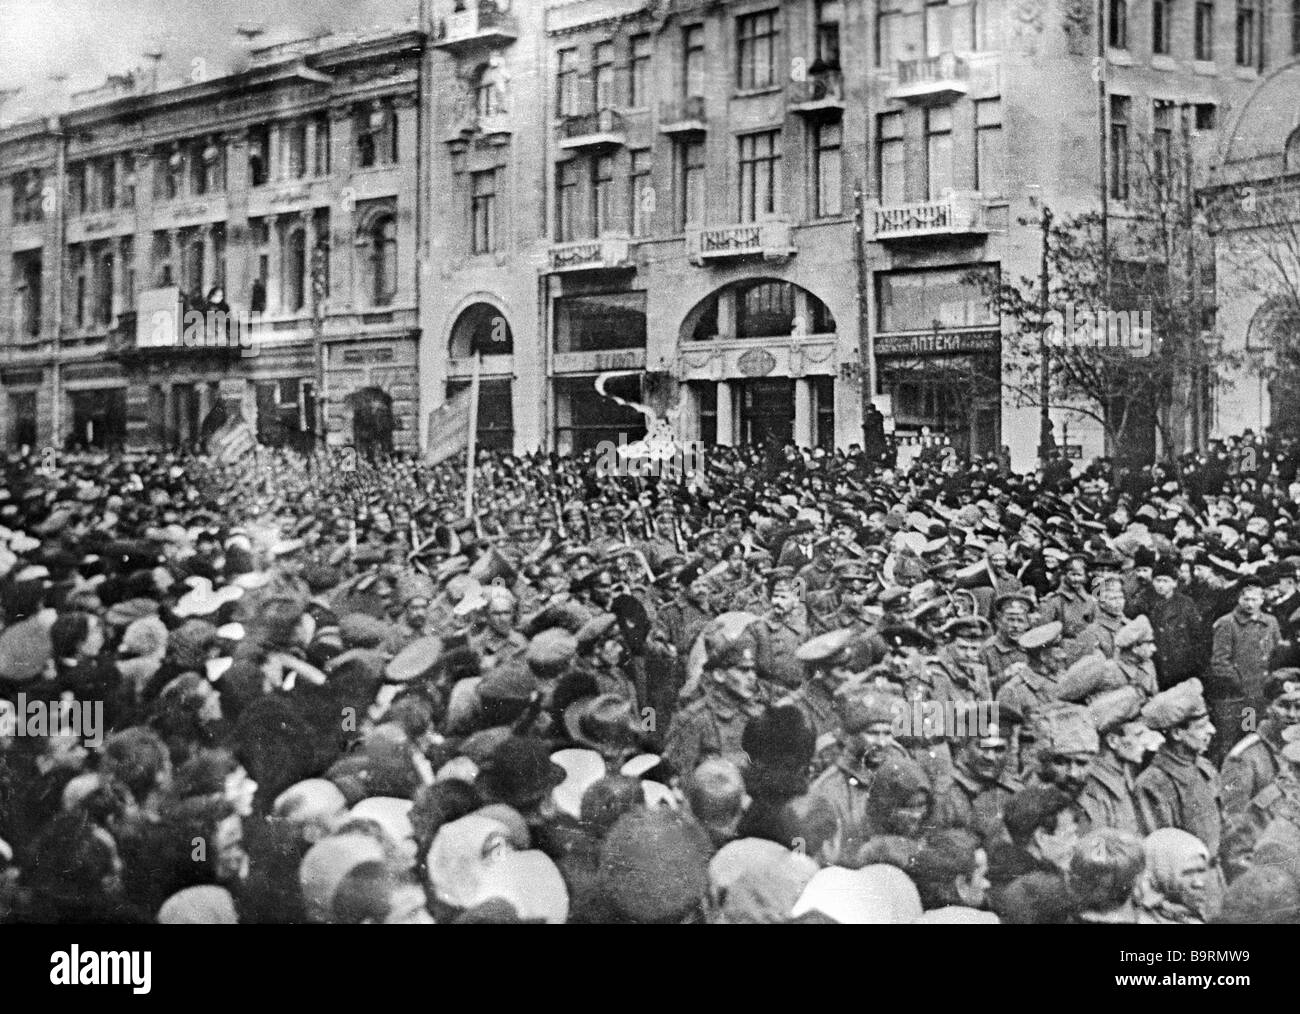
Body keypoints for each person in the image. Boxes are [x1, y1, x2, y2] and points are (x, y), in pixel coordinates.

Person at [1209, 578, 1280, 761]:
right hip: (1240, 699)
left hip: (1264, 696)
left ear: (1263, 599)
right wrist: (1240, 683)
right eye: (1246, 599)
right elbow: (1220, 662)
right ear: (1239, 599)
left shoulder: (1271, 623)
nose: (1250, 604)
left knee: (1259, 740)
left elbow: (1278, 655)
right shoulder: (1227, 623)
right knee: (1238, 742)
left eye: (1254, 599)